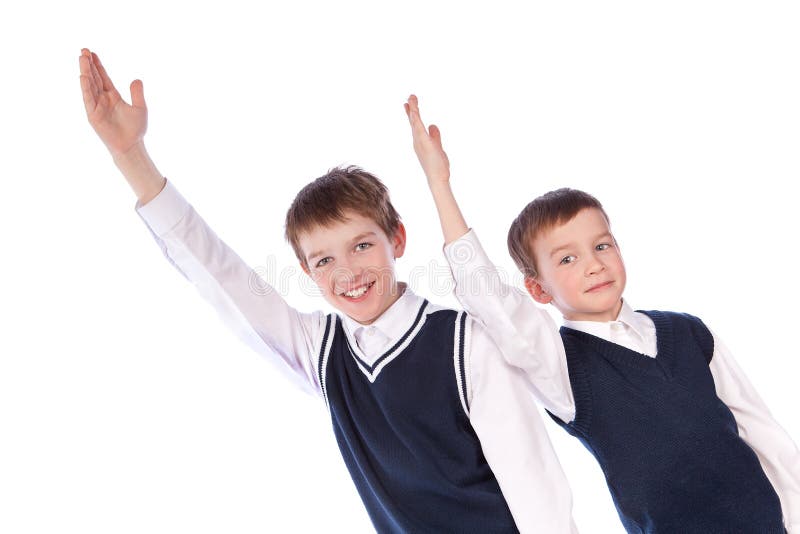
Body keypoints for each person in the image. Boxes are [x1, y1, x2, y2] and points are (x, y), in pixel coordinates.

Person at [79, 49, 578, 533]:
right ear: (307, 271)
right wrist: (131, 156)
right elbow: (219, 274)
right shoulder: (322, 348)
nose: (348, 272)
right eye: (324, 260)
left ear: (397, 239)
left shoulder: (465, 342)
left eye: (361, 245)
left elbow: (536, 488)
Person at [405, 94, 799, 533]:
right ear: (538, 289)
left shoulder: (687, 332)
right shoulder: (562, 369)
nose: (593, 264)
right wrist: (439, 183)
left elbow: (762, 431)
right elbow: (490, 299)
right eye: (567, 259)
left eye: (601, 245)